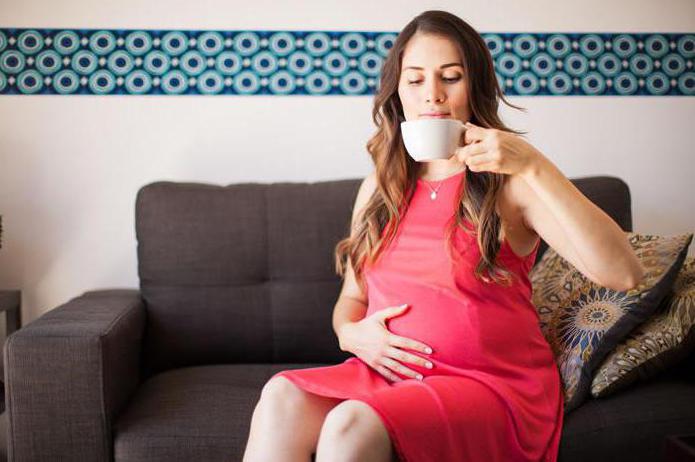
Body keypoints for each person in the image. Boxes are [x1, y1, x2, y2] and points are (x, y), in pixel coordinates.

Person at [242, 9, 644, 462]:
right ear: (398, 92)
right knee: (281, 397)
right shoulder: (380, 186)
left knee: (348, 426)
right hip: (389, 376)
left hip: (487, 383)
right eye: (415, 80)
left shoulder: (510, 181)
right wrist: (351, 336)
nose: (432, 95)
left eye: (450, 77)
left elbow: (623, 273)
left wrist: (534, 163)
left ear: (474, 85)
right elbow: (350, 302)